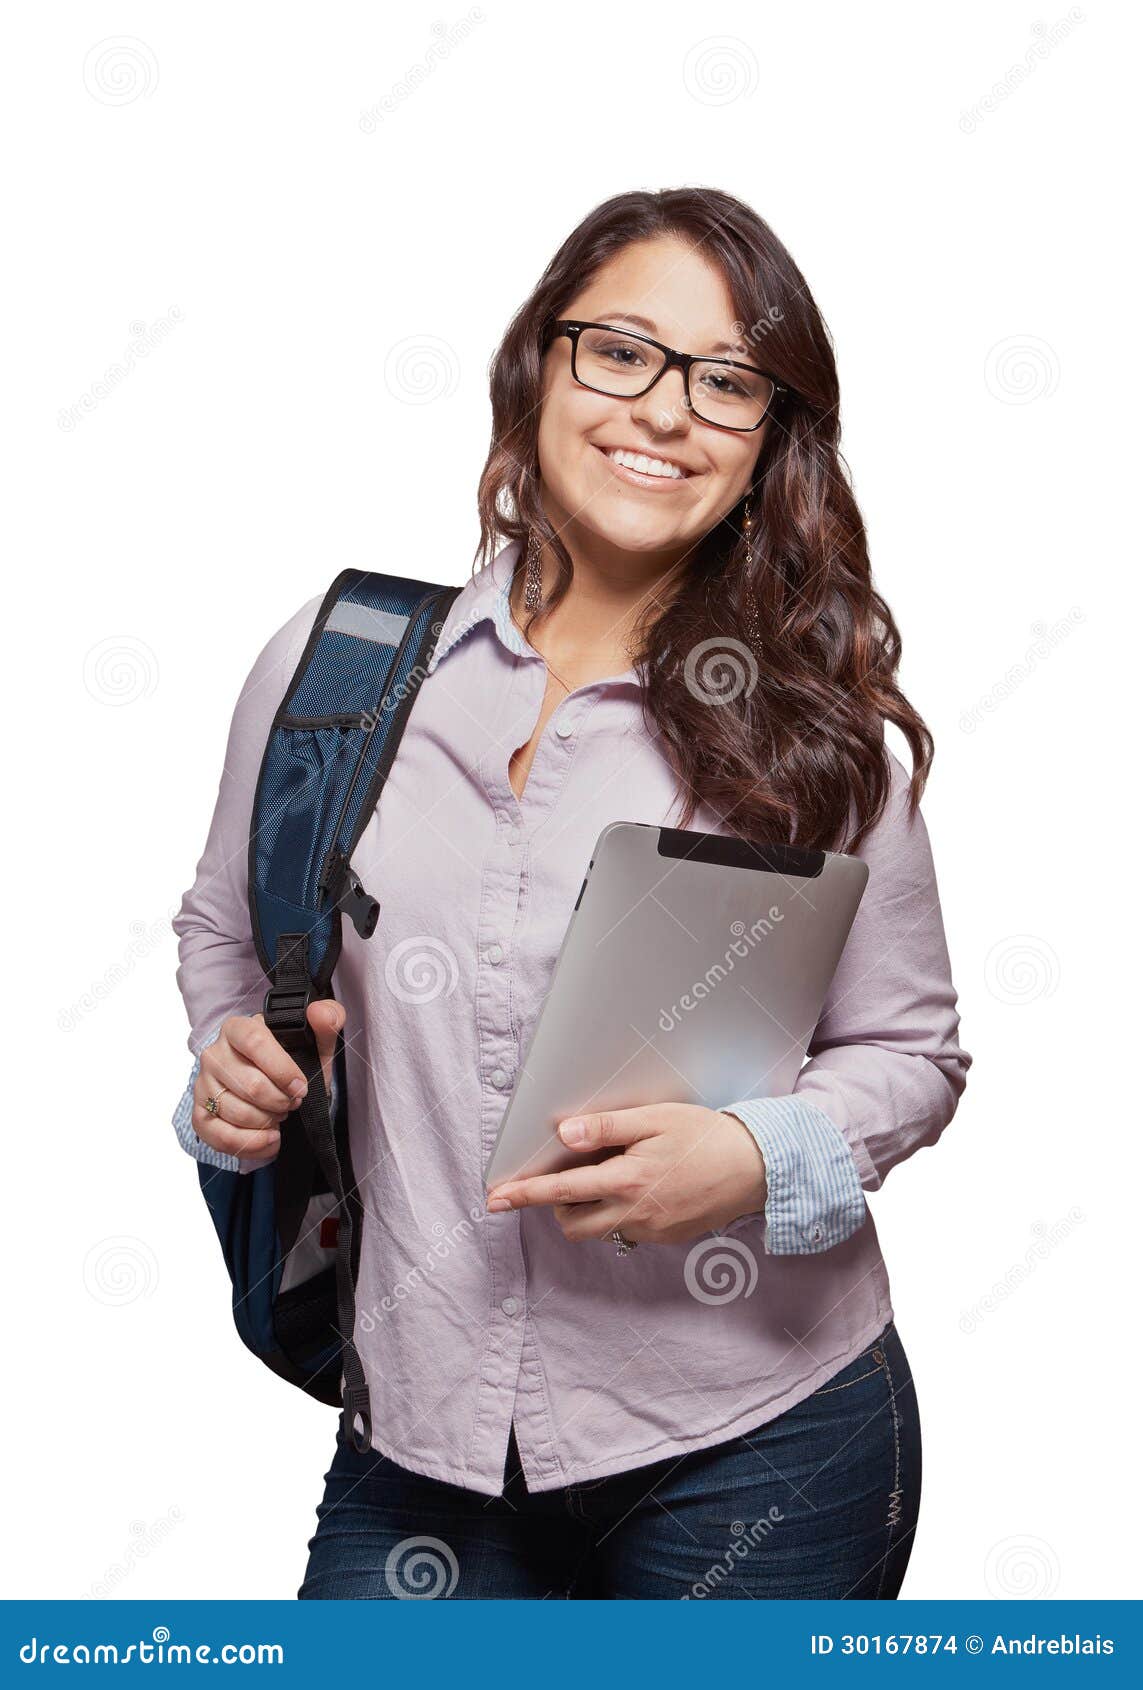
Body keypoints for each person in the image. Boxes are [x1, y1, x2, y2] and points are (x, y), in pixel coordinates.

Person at [172, 187, 971, 1599]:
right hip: (424, 1429)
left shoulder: (816, 731)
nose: (665, 411)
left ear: (771, 442)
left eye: (727, 381)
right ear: (539, 364)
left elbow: (911, 1052)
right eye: (622, 351)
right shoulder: (344, 664)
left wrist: (757, 1158)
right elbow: (232, 935)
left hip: (758, 1441)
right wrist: (233, 1065)